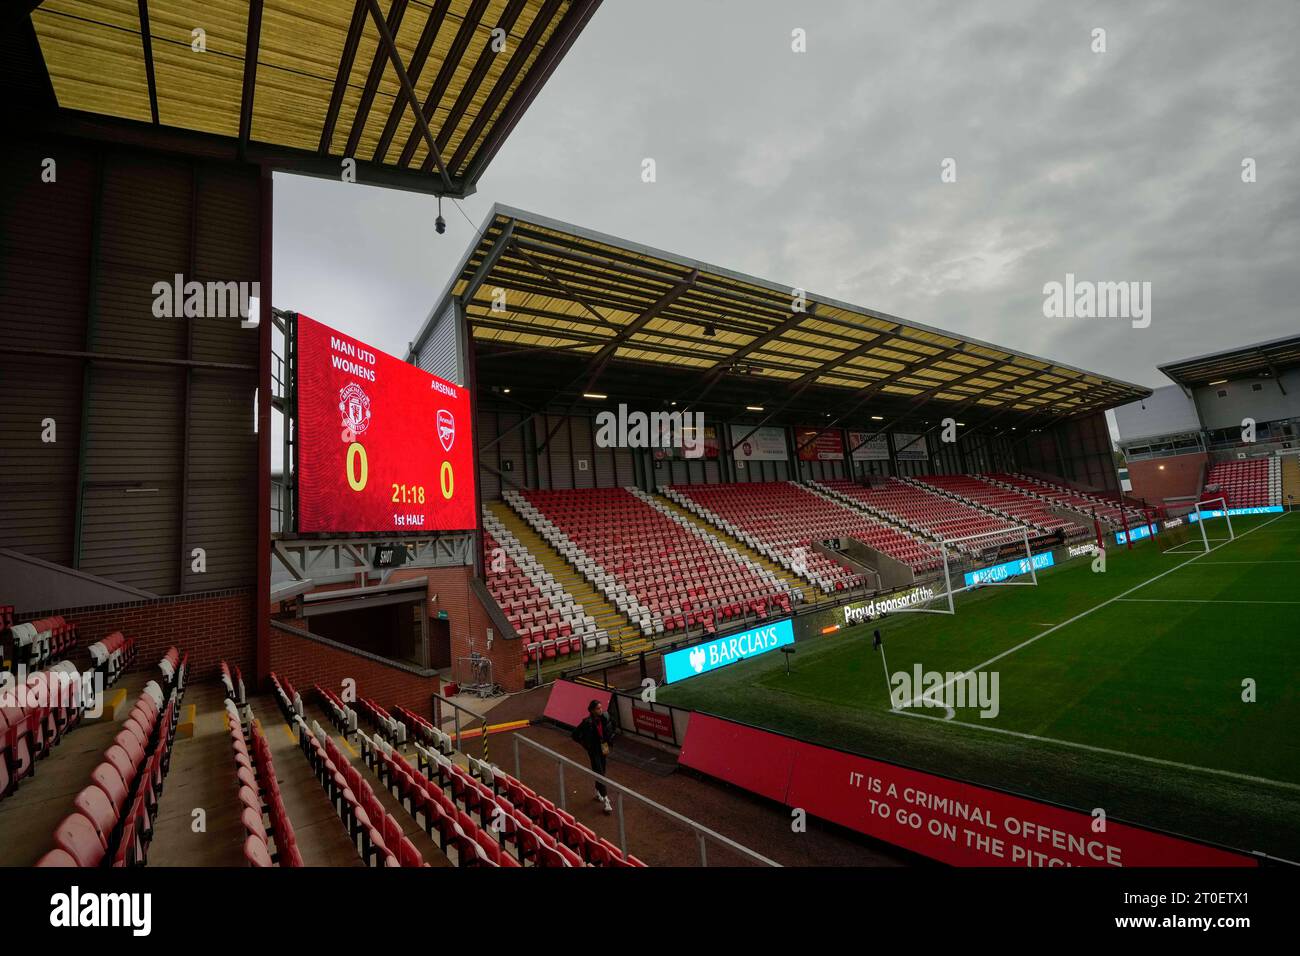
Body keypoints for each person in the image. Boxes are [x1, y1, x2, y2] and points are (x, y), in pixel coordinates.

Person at [572, 699, 616, 813]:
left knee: (602, 771)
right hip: (594, 750)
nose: (600, 710)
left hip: (604, 747)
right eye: (598, 708)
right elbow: (575, 735)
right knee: (600, 773)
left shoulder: (605, 717)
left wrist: (610, 739)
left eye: (601, 708)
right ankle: (606, 800)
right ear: (592, 710)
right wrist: (586, 745)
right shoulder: (587, 722)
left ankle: (598, 791)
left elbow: (610, 728)